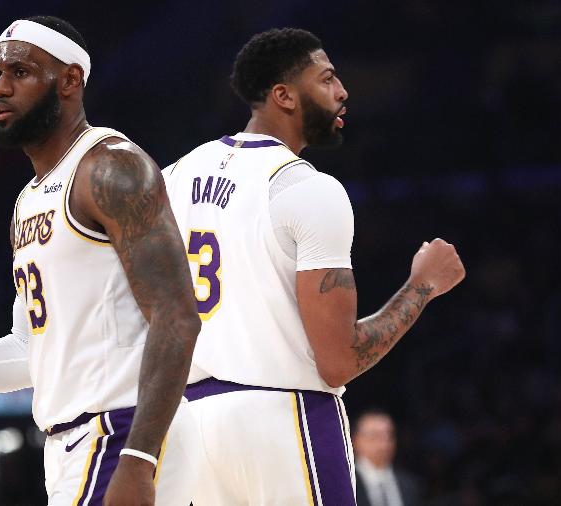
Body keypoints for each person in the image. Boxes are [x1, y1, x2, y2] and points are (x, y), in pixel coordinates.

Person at [0, 16, 202, 506]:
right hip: (75, 444)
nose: (1, 88)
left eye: (20, 73)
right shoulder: (29, 200)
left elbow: (177, 316)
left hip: (121, 432)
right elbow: (32, 350)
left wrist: (140, 458)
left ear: (70, 80)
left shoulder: (111, 167)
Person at [161, 28, 465, 505]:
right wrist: (422, 286)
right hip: (281, 417)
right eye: (326, 80)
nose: (342, 92)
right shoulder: (308, 189)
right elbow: (338, 360)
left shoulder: (174, 176)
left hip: (189, 426)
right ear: (283, 95)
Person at [353, 410, 423, 506]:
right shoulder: (344, 485)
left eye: (389, 436)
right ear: (356, 440)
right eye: (375, 436)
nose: (384, 444)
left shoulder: (410, 485)